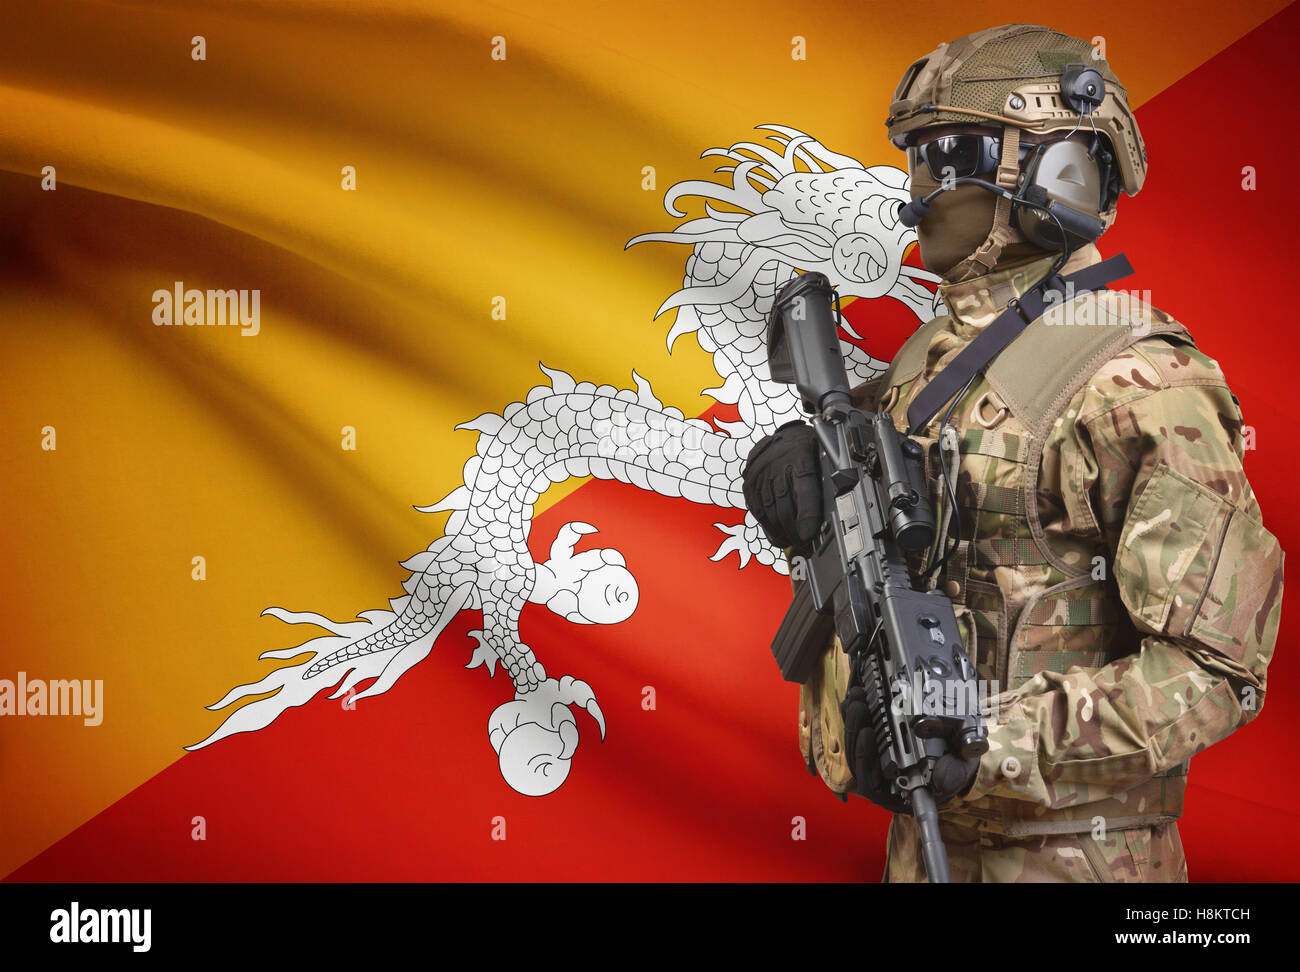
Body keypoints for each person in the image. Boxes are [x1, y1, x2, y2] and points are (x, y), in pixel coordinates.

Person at [742, 23, 1284, 882]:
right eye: (917, 154)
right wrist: (800, 477)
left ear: (1048, 172)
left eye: (943, 151)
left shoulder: (1140, 378)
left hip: (1079, 864)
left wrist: (986, 740)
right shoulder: (934, 356)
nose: (916, 184)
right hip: (923, 851)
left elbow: (1214, 669)